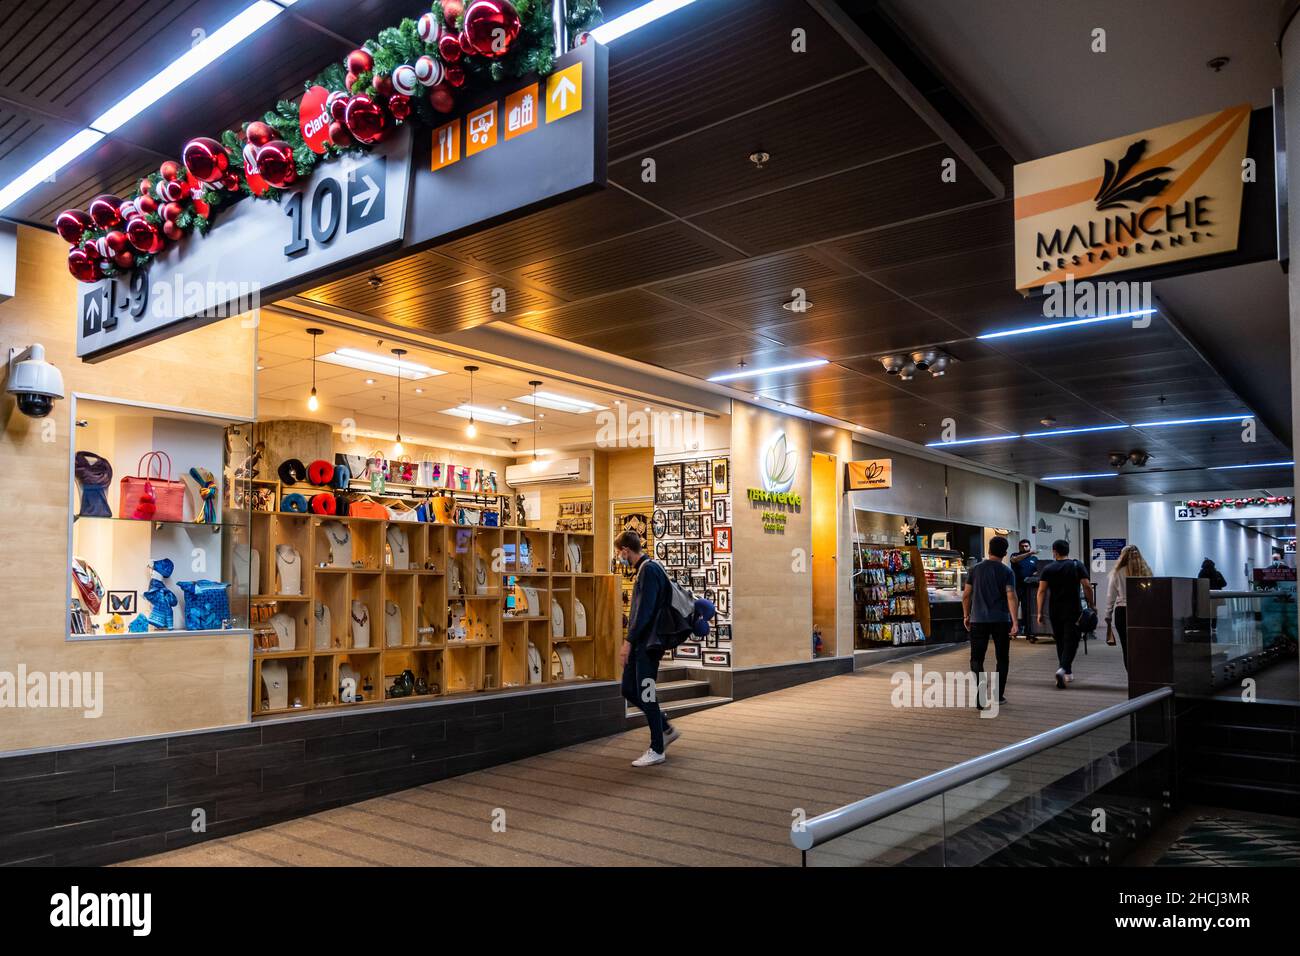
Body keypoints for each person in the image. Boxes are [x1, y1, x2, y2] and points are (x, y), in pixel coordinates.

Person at [615, 530, 679, 767]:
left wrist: (628, 642)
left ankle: (657, 747)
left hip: (648, 644)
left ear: (625, 550)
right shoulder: (647, 569)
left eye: (618, 552)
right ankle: (664, 727)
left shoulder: (649, 570)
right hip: (643, 643)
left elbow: (644, 612)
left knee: (646, 692)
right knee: (629, 689)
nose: (618, 557)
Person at [962, 535, 1018, 707]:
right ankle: (998, 696)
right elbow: (1011, 596)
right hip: (1001, 620)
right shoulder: (1007, 571)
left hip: (978, 620)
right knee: (1002, 658)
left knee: (977, 659)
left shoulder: (975, 570)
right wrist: (1015, 621)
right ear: (1005, 553)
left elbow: (966, 595)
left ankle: (980, 695)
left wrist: (966, 615)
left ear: (988, 550)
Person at [1037, 539, 1095, 689]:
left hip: (1054, 610)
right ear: (1068, 550)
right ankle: (1063, 669)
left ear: (1054, 551)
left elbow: (1041, 591)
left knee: (1061, 640)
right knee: (1072, 640)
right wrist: (1092, 604)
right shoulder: (1077, 565)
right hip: (1073, 609)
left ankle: (1066, 671)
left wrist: (1039, 612)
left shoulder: (1048, 569)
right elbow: (1087, 586)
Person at [1104, 544, 1151, 668]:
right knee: (1142, 644)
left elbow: (1111, 596)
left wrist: (1108, 614)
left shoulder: (1116, 572)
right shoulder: (1145, 571)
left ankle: (1131, 677)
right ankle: (1143, 674)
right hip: (1142, 611)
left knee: (1126, 646)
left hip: (1122, 612)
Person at [1009, 538, 1038, 637]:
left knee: (1027, 608)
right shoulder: (1015, 555)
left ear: (1029, 547)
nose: (1024, 547)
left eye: (1026, 546)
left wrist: (1034, 574)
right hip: (1016, 586)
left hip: (1028, 588)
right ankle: (1012, 628)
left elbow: (1037, 571)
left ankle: (1027, 628)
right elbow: (1014, 560)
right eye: (1022, 546)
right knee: (1014, 608)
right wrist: (1029, 553)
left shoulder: (1034, 559)